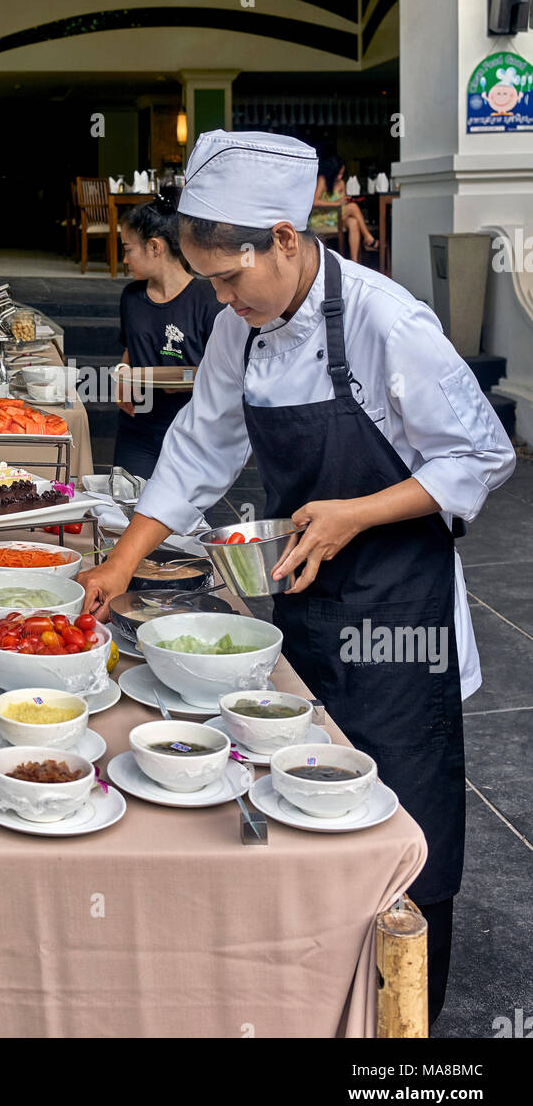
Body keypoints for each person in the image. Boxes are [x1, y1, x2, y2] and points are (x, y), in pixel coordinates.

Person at [79, 130, 516, 1026]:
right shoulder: (247, 328)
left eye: (230, 281)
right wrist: (121, 563)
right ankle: (319, 999)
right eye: (210, 286)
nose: (223, 302)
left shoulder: (384, 320)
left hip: (403, 615)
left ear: (284, 237)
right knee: (303, 791)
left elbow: (481, 453)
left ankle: (406, 1025)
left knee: (406, 826)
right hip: (307, 595)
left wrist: (357, 511)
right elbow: (201, 446)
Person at [113, 189, 223, 478]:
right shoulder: (131, 297)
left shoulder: (207, 298)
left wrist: (180, 379)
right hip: (136, 427)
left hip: (189, 429)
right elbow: (130, 348)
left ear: (154, 247)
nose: (124, 259)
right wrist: (124, 372)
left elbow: (222, 372)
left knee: (187, 518)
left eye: (127, 249)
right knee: (125, 506)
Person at [312, 154, 378, 264]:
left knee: (353, 222)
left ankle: (354, 262)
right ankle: (368, 238)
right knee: (353, 207)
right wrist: (336, 204)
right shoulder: (322, 180)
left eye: (342, 173)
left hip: (337, 216)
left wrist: (344, 201)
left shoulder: (341, 183)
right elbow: (314, 202)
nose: (340, 176)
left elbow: (341, 202)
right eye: (338, 173)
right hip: (322, 217)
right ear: (331, 171)